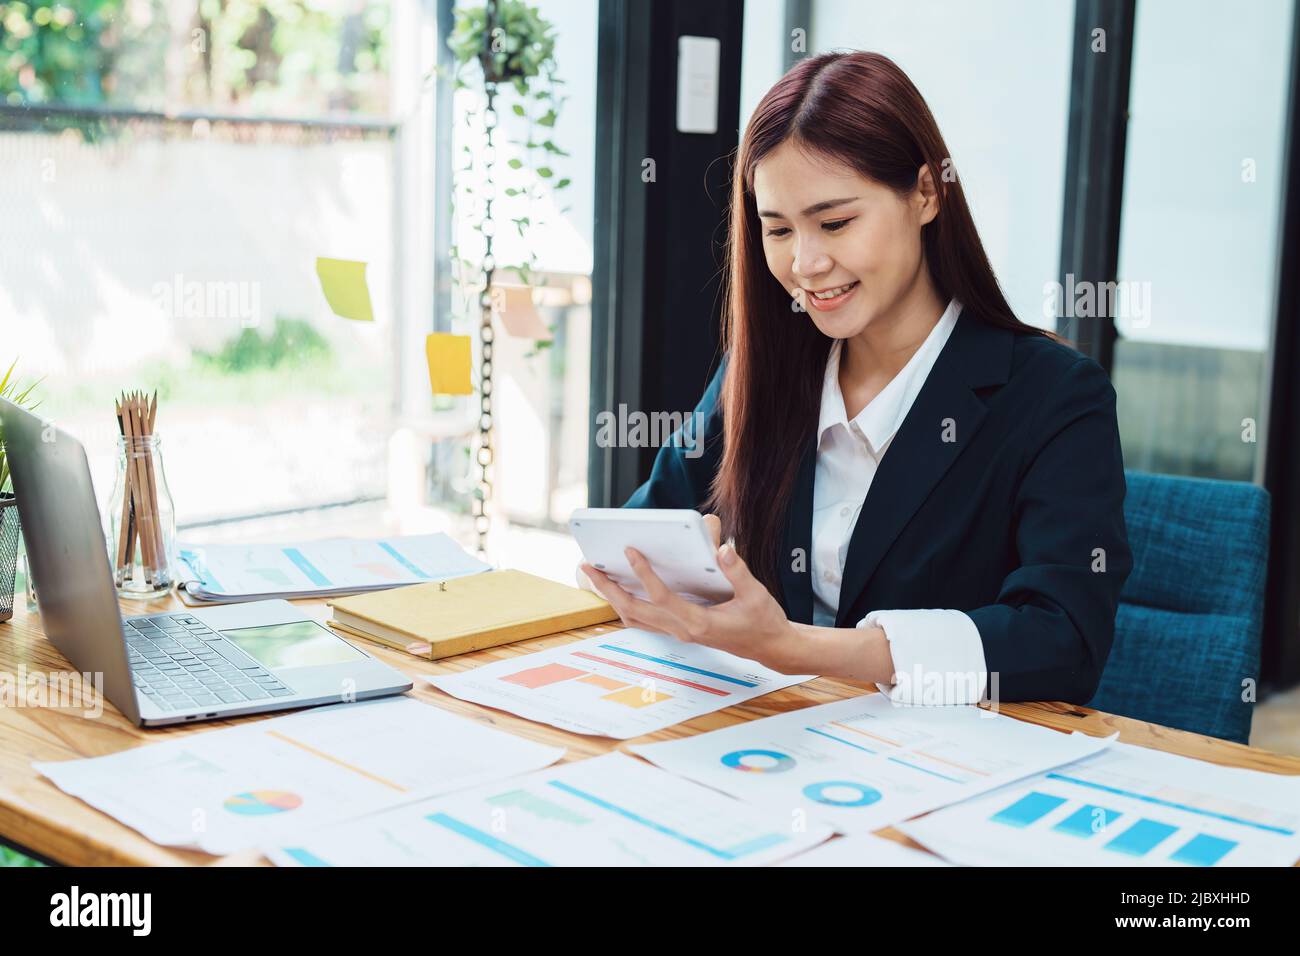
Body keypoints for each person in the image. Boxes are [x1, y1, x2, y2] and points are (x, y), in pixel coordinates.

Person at [581, 51, 1131, 707]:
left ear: (926, 193)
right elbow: (634, 536)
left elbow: (1063, 643)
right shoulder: (764, 369)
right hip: (764, 743)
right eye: (778, 229)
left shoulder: (1054, 396)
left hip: (943, 772)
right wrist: (679, 567)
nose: (806, 263)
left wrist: (791, 647)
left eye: (836, 222)